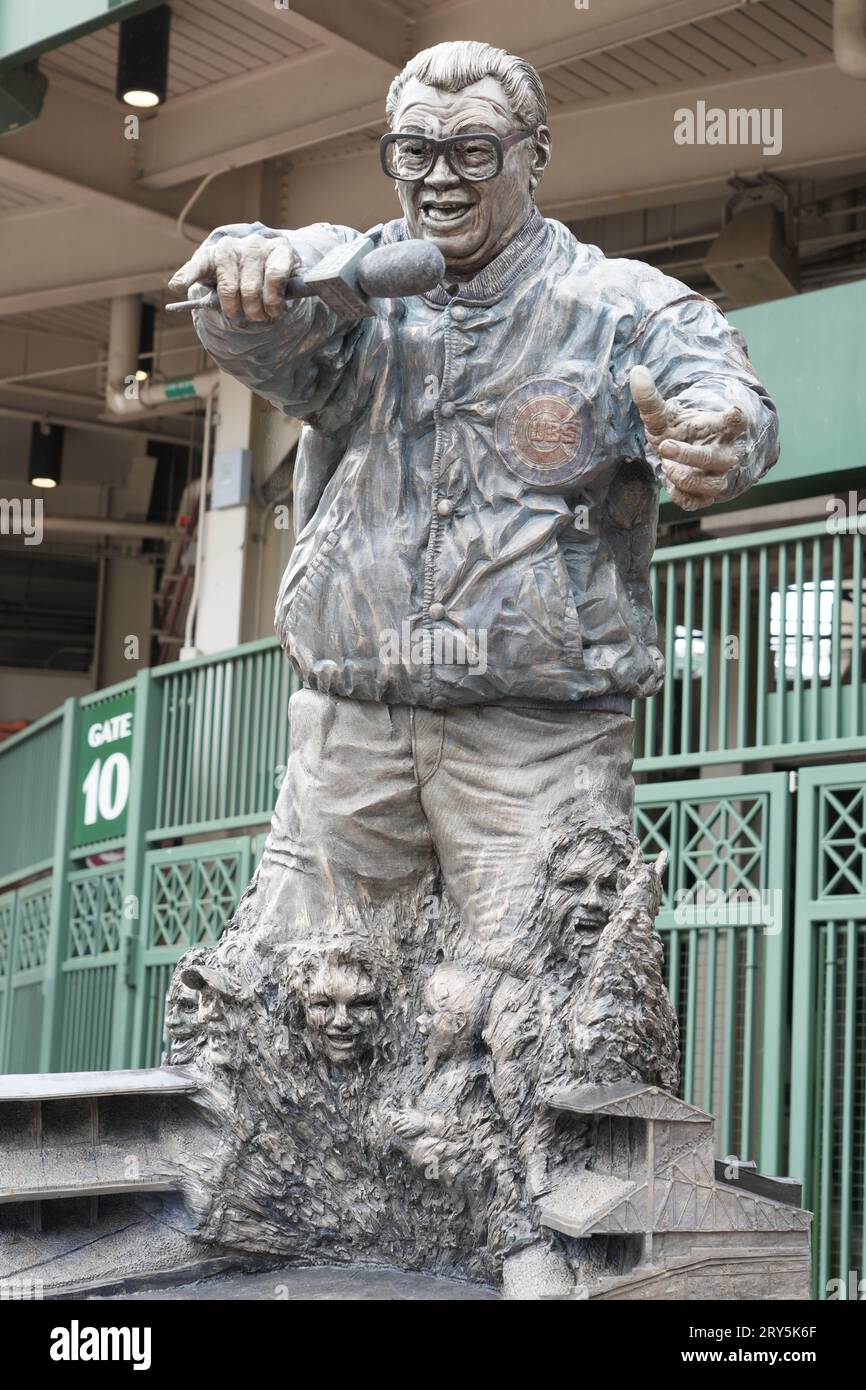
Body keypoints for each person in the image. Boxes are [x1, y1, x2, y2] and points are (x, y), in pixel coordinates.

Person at [169, 40, 779, 958]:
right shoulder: (354, 285)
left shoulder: (619, 308)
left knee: (546, 1014)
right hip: (351, 732)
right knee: (297, 1011)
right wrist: (242, 279)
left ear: (535, 151)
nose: (439, 178)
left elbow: (724, 397)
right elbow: (267, 342)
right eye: (413, 152)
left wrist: (719, 437)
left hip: (538, 742)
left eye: (473, 151)